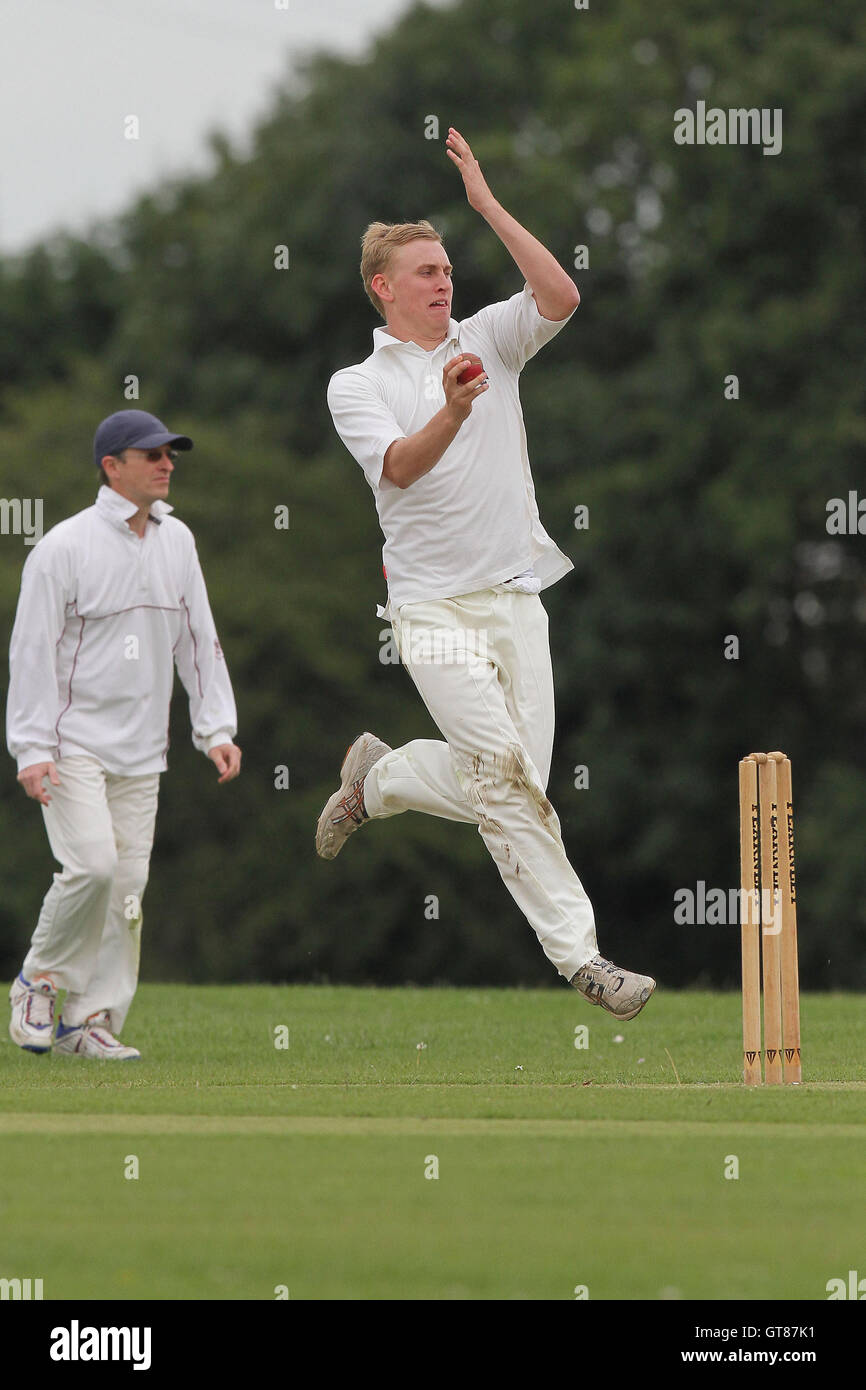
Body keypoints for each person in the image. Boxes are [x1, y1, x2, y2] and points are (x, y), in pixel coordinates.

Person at [319, 129, 654, 1019]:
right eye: (424, 272)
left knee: (512, 790)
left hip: (515, 594)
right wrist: (456, 412)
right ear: (384, 287)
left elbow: (561, 293)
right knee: (503, 777)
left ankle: (379, 781)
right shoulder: (356, 382)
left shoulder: (492, 339)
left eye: (447, 267)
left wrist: (487, 205)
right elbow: (397, 468)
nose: (443, 282)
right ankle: (584, 960)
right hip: (429, 609)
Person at [6, 409, 241, 1059]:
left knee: (127, 891)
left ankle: (89, 1021)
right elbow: (31, 652)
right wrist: (31, 747)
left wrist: (214, 727)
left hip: (144, 751)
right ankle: (38, 982)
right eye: (152, 455)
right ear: (112, 467)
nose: (168, 464)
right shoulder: (64, 548)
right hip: (71, 743)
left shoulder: (178, 542)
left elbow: (198, 639)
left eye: (171, 454)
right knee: (93, 866)